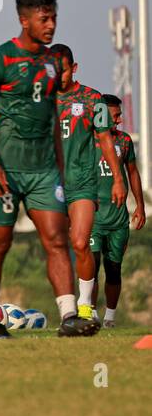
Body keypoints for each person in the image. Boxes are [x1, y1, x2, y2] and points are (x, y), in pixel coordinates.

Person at [0, 0, 93, 338]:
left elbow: (53, 114)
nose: (51, 25)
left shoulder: (54, 61)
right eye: (44, 19)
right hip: (5, 171)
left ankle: (69, 315)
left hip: (43, 172)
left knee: (56, 239)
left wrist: (60, 165)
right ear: (24, 20)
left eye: (54, 17)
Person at [51, 44, 124, 319]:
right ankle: (66, 306)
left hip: (82, 182)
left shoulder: (93, 99)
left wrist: (118, 180)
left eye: (64, 69)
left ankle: (84, 306)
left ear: (74, 68)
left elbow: (105, 139)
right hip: (50, 185)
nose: (59, 75)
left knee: (81, 243)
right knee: (58, 248)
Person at [89, 95, 145, 327]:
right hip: (91, 217)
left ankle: (109, 319)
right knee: (89, 267)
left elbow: (132, 172)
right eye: (116, 116)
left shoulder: (124, 141)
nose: (120, 121)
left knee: (113, 269)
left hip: (118, 218)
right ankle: (88, 312)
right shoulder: (84, 141)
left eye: (120, 115)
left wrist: (140, 205)